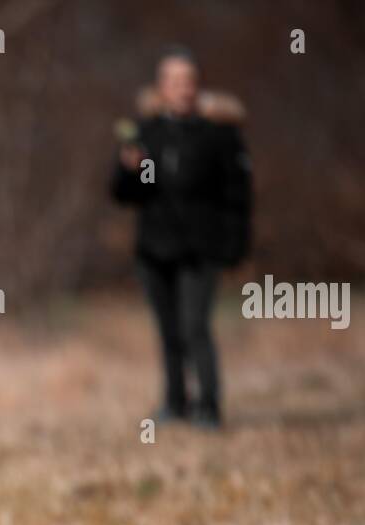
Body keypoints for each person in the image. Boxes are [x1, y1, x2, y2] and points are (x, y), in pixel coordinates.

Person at [110, 46, 251, 428]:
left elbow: (236, 196)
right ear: (161, 87)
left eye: (188, 81)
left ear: (198, 85)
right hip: (155, 249)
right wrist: (132, 171)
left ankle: (208, 406)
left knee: (195, 328)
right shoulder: (148, 135)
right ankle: (175, 403)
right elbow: (132, 194)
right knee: (168, 330)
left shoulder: (218, 136)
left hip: (201, 249)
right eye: (174, 81)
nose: (182, 89)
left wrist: (235, 247)